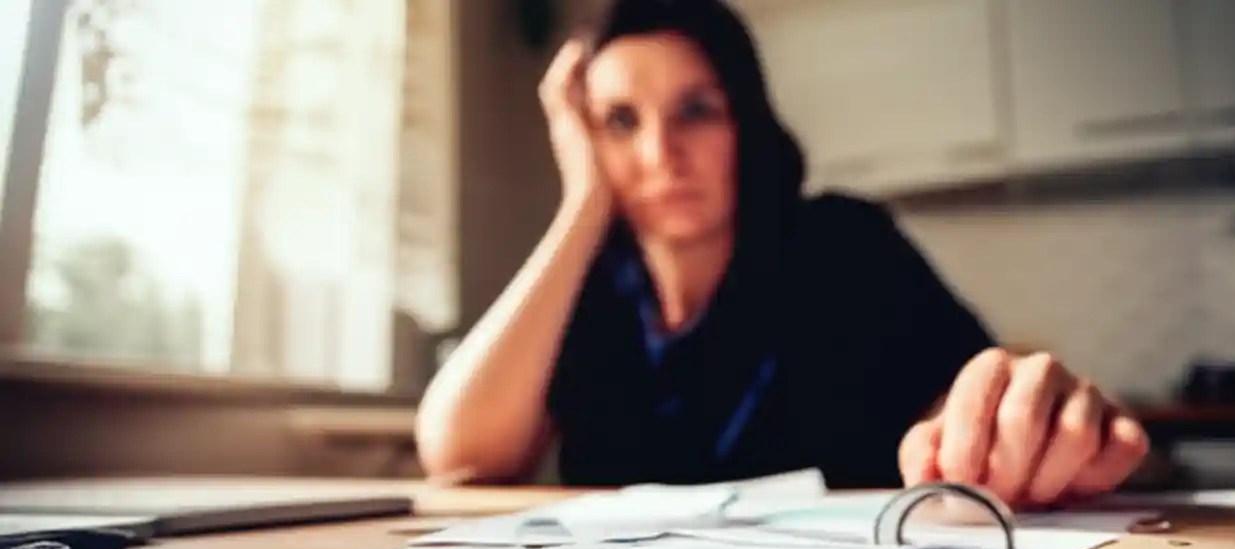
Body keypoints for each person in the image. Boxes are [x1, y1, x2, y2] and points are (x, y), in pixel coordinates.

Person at [416, 0, 1148, 509]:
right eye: (619, 122)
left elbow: (965, 402)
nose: (659, 153)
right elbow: (457, 454)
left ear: (746, 118)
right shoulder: (589, 292)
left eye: (694, 110)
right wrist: (582, 202)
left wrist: (1015, 420)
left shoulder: (844, 247)